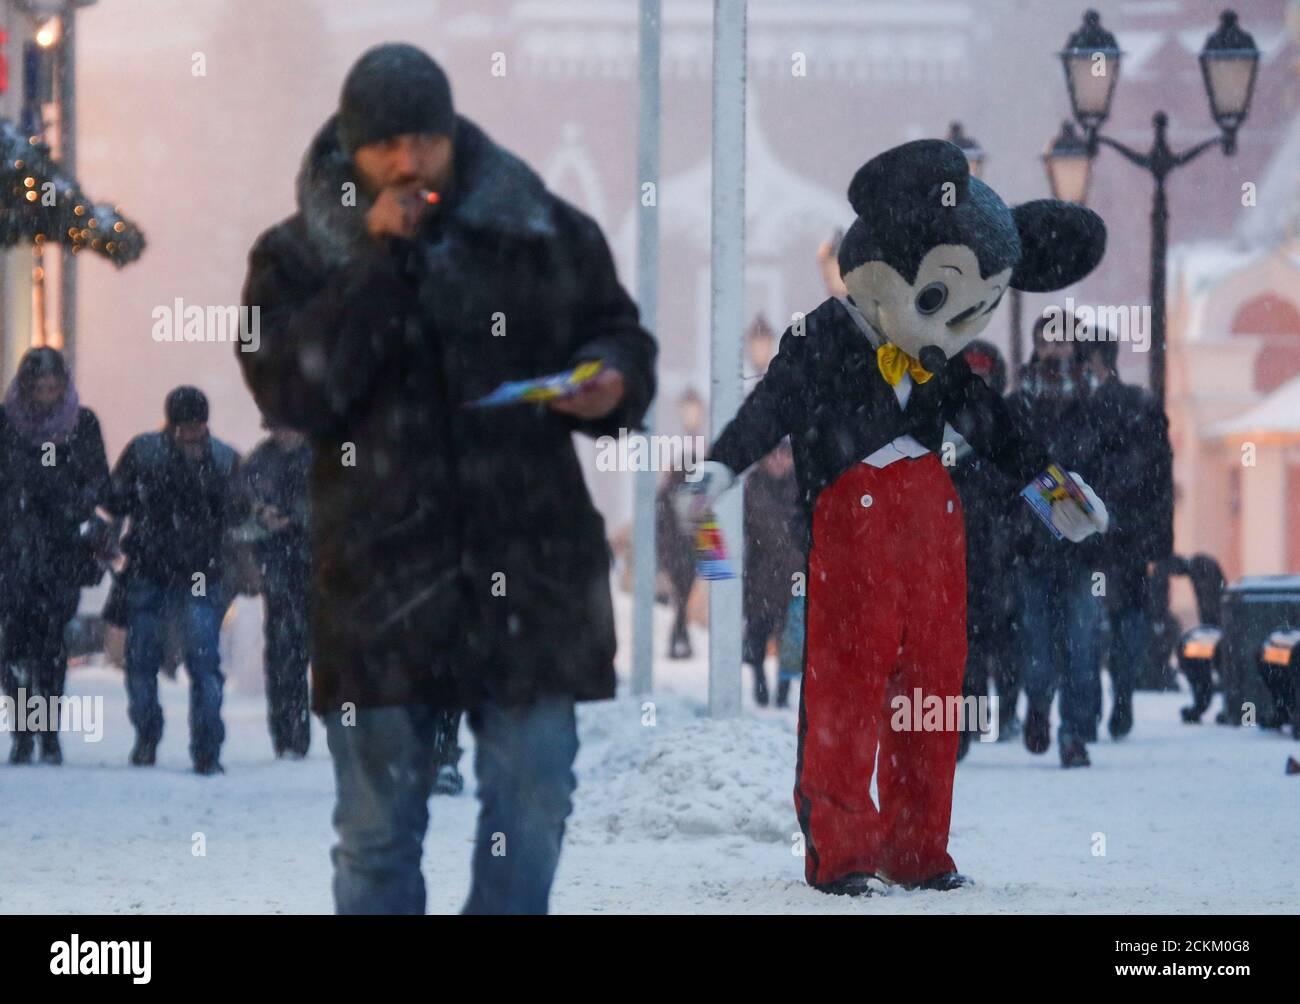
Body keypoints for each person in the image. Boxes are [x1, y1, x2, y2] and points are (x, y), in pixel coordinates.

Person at [238, 44, 656, 914]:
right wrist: (378, 268)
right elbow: (296, 389)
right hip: (379, 587)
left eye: (424, 140)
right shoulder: (296, 257)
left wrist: (609, 376)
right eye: (385, 145)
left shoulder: (537, 228)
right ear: (352, 149)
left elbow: (617, 331)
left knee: (535, 799)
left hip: (530, 573)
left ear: (452, 133)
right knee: (379, 829)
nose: (407, 163)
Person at [106, 386, 243, 775]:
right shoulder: (222, 459)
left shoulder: (150, 452)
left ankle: (184, 744)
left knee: (173, 661)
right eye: (186, 429)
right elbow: (239, 515)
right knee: (175, 661)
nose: (190, 437)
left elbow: (115, 500)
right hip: (184, 568)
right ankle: (192, 746)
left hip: (171, 566)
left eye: (194, 429)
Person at [1006, 314, 1109, 767]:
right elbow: (1003, 473)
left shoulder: (1095, 403)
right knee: (1037, 648)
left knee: (1083, 647)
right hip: (1030, 549)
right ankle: (1039, 707)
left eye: (1063, 343)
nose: (1054, 351)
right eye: (1047, 342)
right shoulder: (1018, 404)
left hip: (1083, 549)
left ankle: (1074, 734)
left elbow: (1113, 472)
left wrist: (1097, 511)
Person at [0, 348, 109, 765]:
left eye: (52, 387)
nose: (46, 395)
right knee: (14, 646)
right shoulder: (7, 423)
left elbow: (95, 480)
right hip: (13, 548)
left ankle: (47, 733)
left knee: (49, 645)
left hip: (60, 550)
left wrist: (67, 501)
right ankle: (23, 733)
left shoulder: (82, 424)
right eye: (38, 387)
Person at [1077, 336, 1173, 739]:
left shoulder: (1085, 407)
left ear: (1095, 361)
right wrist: (1158, 538)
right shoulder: (1140, 405)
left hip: (1095, 531)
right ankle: (1120, 697)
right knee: (1123, 619)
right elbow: (1160, 478)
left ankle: (1097, 705)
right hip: (1129, 534)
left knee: (1092, 622)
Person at [946, 340, 1021, 760]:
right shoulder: (946, 422)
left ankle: (1004, 710)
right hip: (959, 550)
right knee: (967, 644)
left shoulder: (1005, 421)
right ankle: (965, 724)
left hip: (1001, 551)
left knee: (1004, 641)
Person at [239, 420, 313, 758]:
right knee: (284, 653)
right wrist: (260, 517)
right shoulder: (258, 462)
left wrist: (297, 517)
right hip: (280, 566)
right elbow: (240, 510)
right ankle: (288, 737)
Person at [742, 439, 802, 707]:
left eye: (786, 455)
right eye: (774, 454)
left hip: (794, 576)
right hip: (760, 576)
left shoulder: (802, 485)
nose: (780, 460)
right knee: (758, 634)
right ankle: (759, 682)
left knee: (791, 637)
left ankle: (783, 692)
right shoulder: (752, 486)